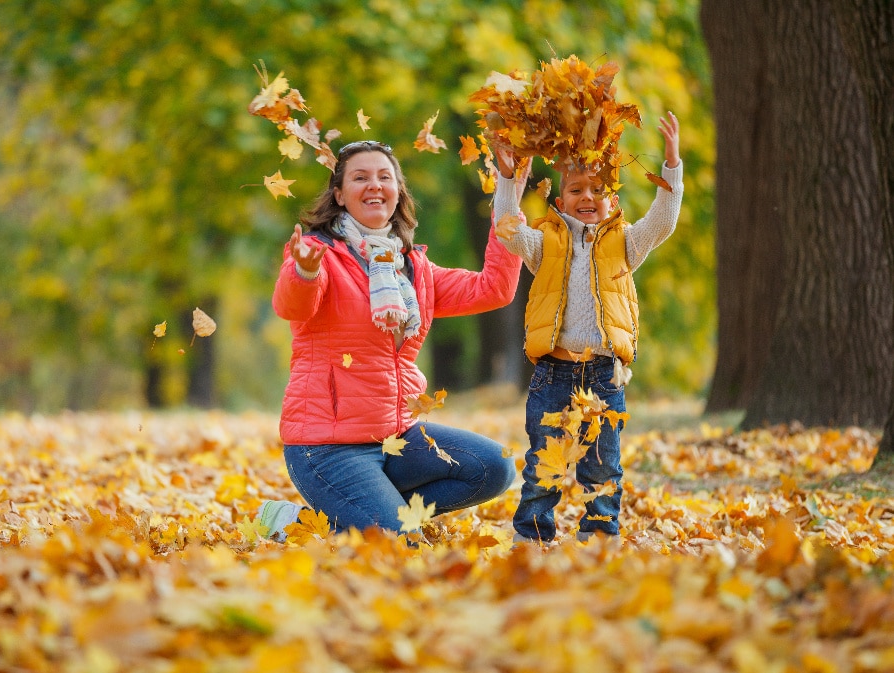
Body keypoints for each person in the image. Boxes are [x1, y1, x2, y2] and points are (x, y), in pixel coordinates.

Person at [258, 139, 522, 542]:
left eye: (385, 177)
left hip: (398, 440)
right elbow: (292, 306)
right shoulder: (317, 252)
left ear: (398, 192)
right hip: (328, 448)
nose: (374, 185)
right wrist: (305, 273)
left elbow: (493, 289)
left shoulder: (414, 268)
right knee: (403, 544)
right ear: (339, 195)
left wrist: (507, 192)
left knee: (494, 468)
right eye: (360, 178)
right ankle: (310, 521)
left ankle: (354, 515)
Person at [492, 112, 683, 545]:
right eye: (576, 189)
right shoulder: (543, 244)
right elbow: (507, 228)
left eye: (597, 190)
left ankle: (598, 538)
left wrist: (671, 165)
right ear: (559, 200)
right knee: (545, 463)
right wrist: (508, 179)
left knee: (602, 465)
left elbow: (663, 222)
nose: (587, 197)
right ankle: (533, 537)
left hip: (603, 375)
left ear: (612, 201)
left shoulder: (626, 243)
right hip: (553, 375)